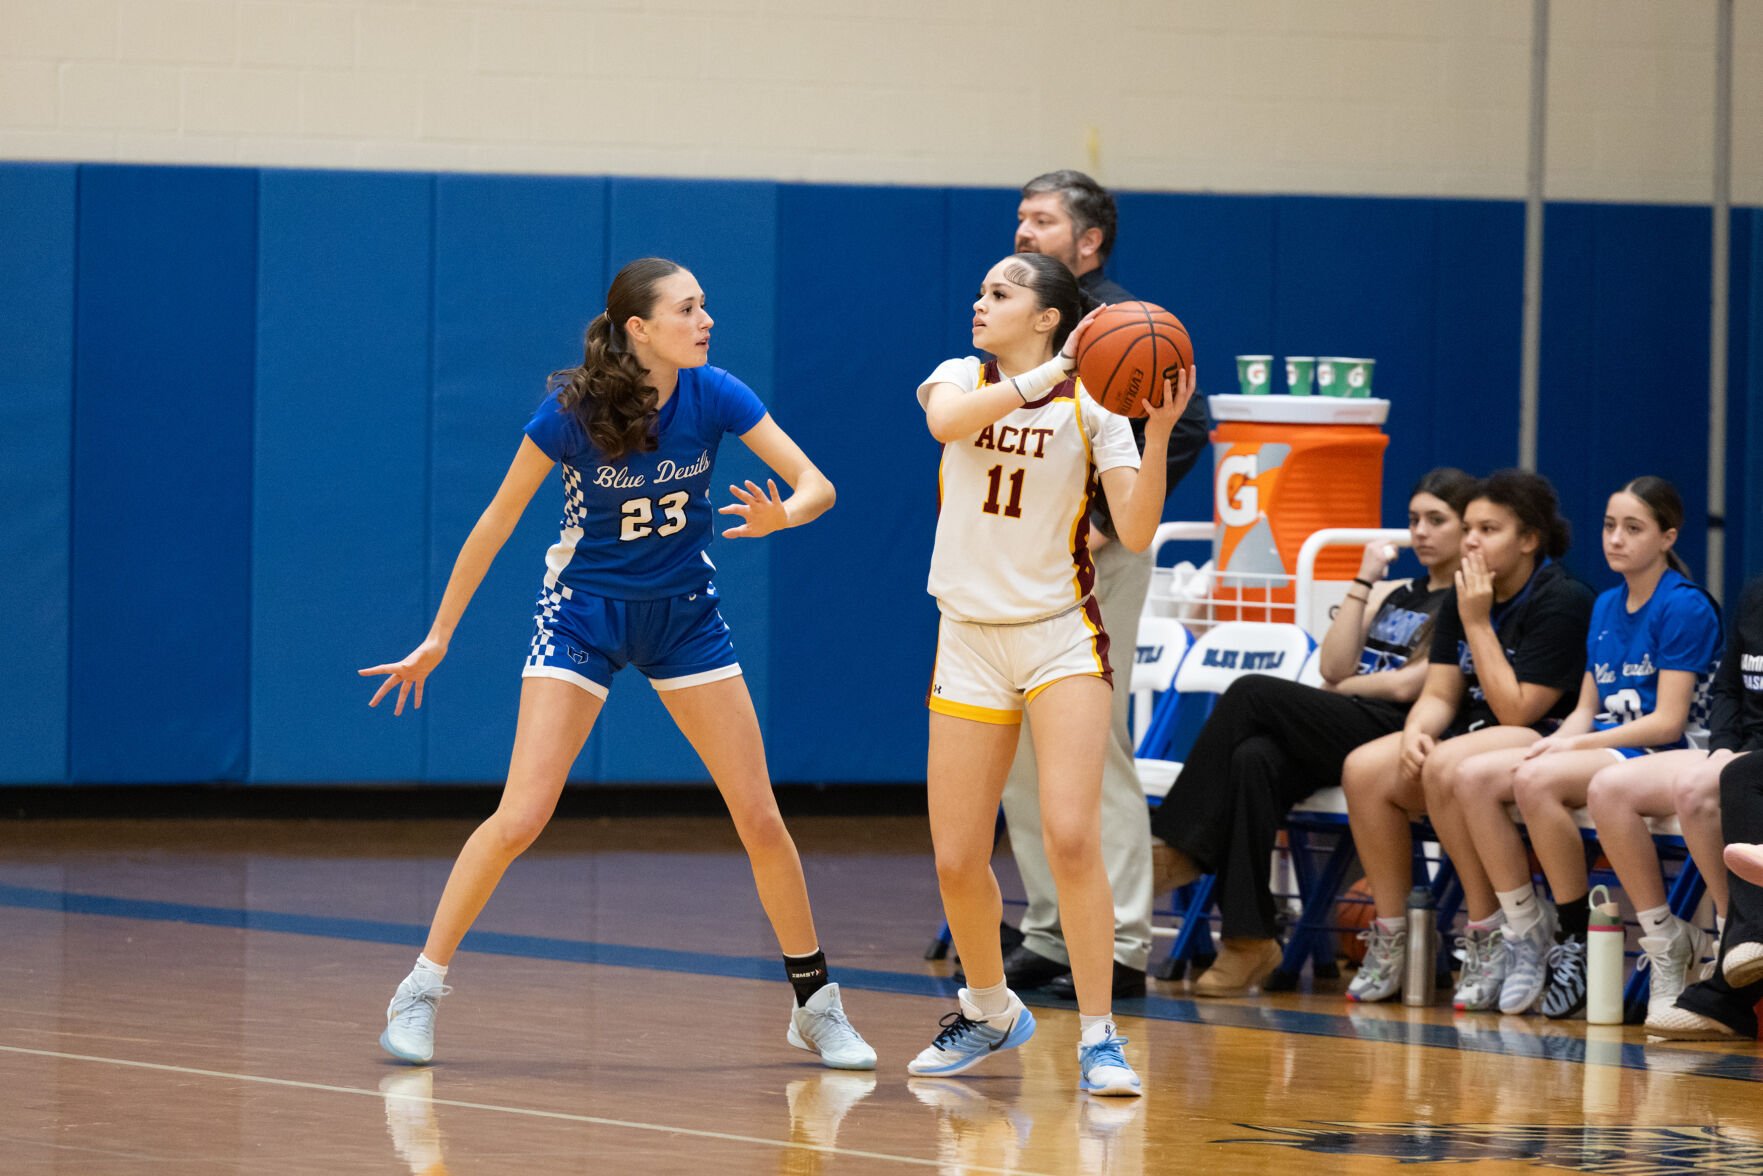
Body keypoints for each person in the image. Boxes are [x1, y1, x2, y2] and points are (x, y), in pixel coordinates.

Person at [360, 257, 875, 1070]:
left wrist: (787, 516)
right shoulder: (570, 411)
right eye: (688, 309)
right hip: (582, 618)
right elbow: (495, 522)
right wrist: (439, 635)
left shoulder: (716, 393)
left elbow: (817, 484)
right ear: (640, 328)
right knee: (521, 815)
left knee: (760, 817)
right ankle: (418, 990)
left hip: (685, 620)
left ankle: (816, 1004)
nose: (706, 321)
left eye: (705, 306)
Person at [907, 251, 1194, 1096]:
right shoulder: (958, 377)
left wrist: (1156, 432)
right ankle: (989, 1008)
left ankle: (1100, 1037)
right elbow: (945, 425)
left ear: (1045, 317)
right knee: (957, 858)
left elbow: (1133, 531)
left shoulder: (1094, 406)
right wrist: (1054, 371)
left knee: (1071, 835)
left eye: (998, 293)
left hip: (1060, 638)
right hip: (968, 639)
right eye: (980, 289)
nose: (978, 301)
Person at [999, 169, 1212, 1000]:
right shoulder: (1026, 315)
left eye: (1041, 220)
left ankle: (1120, 940)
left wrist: (1099, 517)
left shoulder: (1125, 322)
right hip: (1021, 557)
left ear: (1087, 241)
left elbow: (1185, 426)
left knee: (1092, 740)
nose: (1023, 231)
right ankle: (1051, 930)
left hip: (1094, 557)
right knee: (1017, 741)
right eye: (1020, 217)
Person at [1149, 468, 1474, 995]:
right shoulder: (1399, 593)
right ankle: (1249, 939)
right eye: (1414, 519)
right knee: (1253, 758)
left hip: (1401, 731)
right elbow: (1332, 664)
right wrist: (1363, 582)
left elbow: (1407, 685)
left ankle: (1181, 844)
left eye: (1437, 520)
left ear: (1467, 530)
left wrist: (1345, 689)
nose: (1420, 532)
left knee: (1250, 693)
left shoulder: (1465, 599)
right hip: (1352, 719)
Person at [1451, 477, 1721, 1019]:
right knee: (1475, 776)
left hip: (1669, 751)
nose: (1616, 539)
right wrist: (1557, 743)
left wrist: (1576, 745)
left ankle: (1586, 933)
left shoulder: (1683, 605)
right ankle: (1526, 930)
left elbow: (1666, 721)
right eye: (1609, 525)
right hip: (1609, 745)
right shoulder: (1605, 605)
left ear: (1667, 537)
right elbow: (1585, 707)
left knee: (1536, 779)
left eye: (1633, 528)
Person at [1341, 470, 1593, 1005]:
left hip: (1541, 737)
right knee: (1363, 768)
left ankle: (1491, 929)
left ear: (1529, 540)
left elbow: (1517, 709)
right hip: (1473, 738)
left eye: (1489, 529)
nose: (1472, 540)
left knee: (1446, 764)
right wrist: (1417, 729)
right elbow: (1439, 692)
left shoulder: (1562, 598)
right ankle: (1393, 934)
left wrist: (1478, 623)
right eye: (1470, 528)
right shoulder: (1467, 589)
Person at [1644, 573, 1763, 1041]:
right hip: (1749, 752)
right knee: (1728, 774)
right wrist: (1723, 746)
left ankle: (1737, 959)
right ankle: (1728, 950)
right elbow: (1727, 688)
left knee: (1740, 777)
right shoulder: (1755, 594)